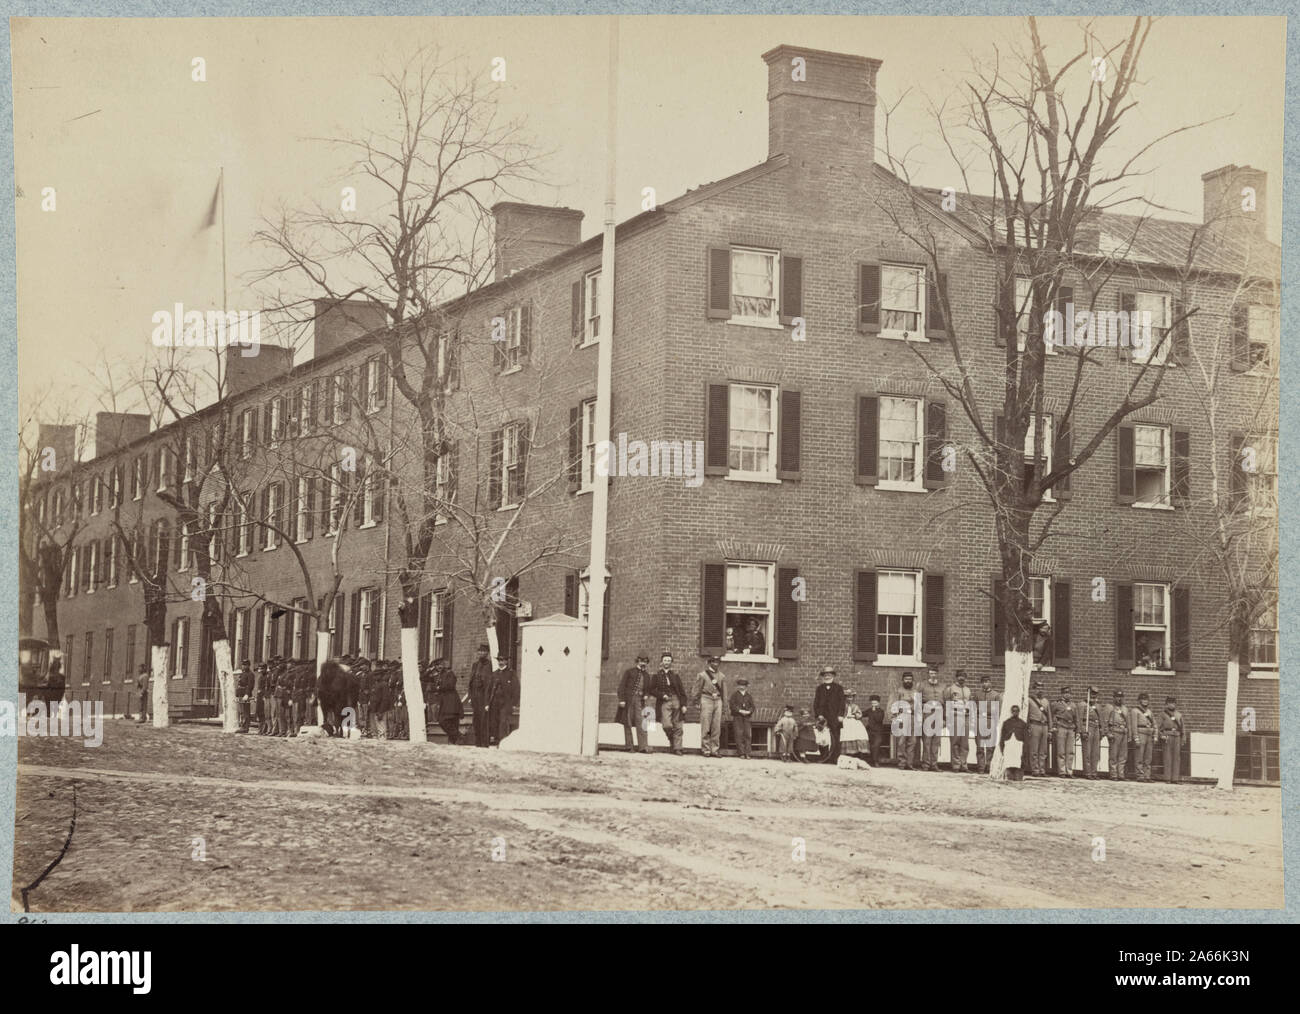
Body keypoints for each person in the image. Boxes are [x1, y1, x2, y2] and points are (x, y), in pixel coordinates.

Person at [647, 652, 686, 755]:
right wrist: (661, 695)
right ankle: (673, 741)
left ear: (671, 662)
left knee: (678, 725)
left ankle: (677, 748)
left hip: (676, 700)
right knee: (667, 725)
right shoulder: (656, 676)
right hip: (665, 701)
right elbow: (651, 690)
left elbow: (682, 692)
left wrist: (684, 705)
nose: (667, 663)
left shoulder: (675, 676)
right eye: (665, 660)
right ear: (661, 662)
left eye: (669, 661)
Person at [692, 656, 726, 758]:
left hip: (718, 700)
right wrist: (696, 701)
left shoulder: (722, 676)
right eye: (713, 662)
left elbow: (724, 692)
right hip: (706, 699)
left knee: (716, 726)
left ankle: (715, 749)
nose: (716, 664)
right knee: (706, 725)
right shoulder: (702, 675)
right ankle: (706, 749)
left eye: (717, 662)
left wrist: (724, 705)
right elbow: (696, 689)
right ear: (709, 663)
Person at [618, 655, 652, 754]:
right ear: (637, 661)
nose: (643, 663)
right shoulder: (629, 672)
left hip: (639, 701)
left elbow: (648, 689)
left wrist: (646, 694)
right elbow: (622, 687)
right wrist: (622, 700)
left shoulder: (646, 675)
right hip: (629, 700)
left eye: (645, 661)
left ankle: (643, 747)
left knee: (641, 722)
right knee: (627, 722)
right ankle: (629, 746)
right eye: (641, 661)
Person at [812, 666, 846, 760]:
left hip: (834, 716)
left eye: (829, 675)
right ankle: (824, 756)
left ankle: (835, 758)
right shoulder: (819, 688)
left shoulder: (838, 688)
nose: (827, 677)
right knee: (822, 736)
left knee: (835, 736)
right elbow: (816, 702)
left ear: (833, 676)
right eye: (825, 675)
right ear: (823, 677)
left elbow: (842, 703)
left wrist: (840, 715)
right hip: (822, 716)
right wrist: (819, 714)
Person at [972, 675, 1002, 773]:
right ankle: (980, 767)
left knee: (990, 746)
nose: (985, 683)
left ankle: (989, 766)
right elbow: (973, 709)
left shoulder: (996, 695)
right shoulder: (977, 695)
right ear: (981, 683)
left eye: (987, 681)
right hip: (979, 720)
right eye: (984, 682)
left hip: (991, 721)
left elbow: (998, 710)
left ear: (990, 683)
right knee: (980, 746)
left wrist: (996, 722)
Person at [1102, 690, 1133, 781]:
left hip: (1124, 732)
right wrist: (1108, 733)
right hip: (1114, 732)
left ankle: (1121, 774)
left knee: (1123, 756)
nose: (1119, 699)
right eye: (1117, 697)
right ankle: (1113, 774)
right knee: (1113, 755)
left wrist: (1129, 735)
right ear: (1114, 697)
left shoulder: (1125, 709)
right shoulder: (1109, 707)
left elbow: (1128, 723)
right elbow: (1105, 721)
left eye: (1121, 697)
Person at [946, 669, 974, 772]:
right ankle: (956, 765)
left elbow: (970, 704)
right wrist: (948, 720)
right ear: (956, 677)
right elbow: (947, 705)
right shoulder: (950, 689)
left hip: (965, 717)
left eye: (963, 677)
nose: (961, 678)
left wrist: (971, 719)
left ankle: (964, 765)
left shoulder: (968, 690)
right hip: (955, 717)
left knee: (965, 743)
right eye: (960, 676)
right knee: (955, 742)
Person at [487, 652, 518, 747]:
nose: (501, 662)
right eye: (499, 660)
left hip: (506, 702)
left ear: (506, 662)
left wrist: (514, 703)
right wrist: (488, 702)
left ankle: (502, 741)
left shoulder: (511, 673)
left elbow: (516, 688)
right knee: (494, 721)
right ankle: (496, 740)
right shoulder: (494, 674)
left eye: (503, 660)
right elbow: (489, 689)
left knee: (503, 721)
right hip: (495, 702)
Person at [889, 672, 918, 770]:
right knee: (902, 741)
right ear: (903, 680)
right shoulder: (898, 691)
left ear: (912, 681)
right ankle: (902, 763)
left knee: (912, 741)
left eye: (910, 679)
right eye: (906, 679)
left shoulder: (916, 692)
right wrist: (893, 718)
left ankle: (909, 763)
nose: (908, 681)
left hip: (913, 718)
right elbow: (892, 705)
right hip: (902, 717)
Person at [468, 644, 493, 747]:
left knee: (484, 720)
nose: (481, 653)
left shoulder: (489, 665)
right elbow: (471, 681)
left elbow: (489, 684)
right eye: (480, 651)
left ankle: (484, 743)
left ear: (487, 653)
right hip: (475, 695)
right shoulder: (475, 665)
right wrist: (470, 696)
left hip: (483, 695)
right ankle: (477, 742)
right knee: (476, 719)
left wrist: (487, 701)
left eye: (484, 651)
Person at [919, 669, 944, 771]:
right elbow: (918, 702)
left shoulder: (943, 686)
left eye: (935, 673)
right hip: (927, 714)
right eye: (931, 673)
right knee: (927, 741)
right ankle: (926, 765)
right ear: (928, 674)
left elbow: (945, 703)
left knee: (936, 741)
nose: (933, 675)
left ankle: (934, 764)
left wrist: (944, 718)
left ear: (938, 674)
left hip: (939, 714)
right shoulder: (922, 685)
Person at [1026, 680, 1052, 776]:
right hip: (1034, 725)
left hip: (1044, 726)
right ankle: (1035, 770)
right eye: (1037, 688)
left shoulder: (1046, 701)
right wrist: (1028, 727)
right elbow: (1027, 715)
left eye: (1041, 688)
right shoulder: (1030, 700)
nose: (1040, 690)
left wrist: (1050, 729)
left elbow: (1049, 716)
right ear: (1034, 689)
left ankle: (1042, 770)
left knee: (1043, 750)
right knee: (1034, 750)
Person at [1052, 686, 1078, 777]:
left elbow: (1076, 718)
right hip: (1061, 727)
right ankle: (1062, 771)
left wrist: (1077, 730)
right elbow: (1052, 715)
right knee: (1061, 751)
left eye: (1069, 693)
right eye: (1065, 693)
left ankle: (1069, 771)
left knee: (1070, 751)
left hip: (1071, 728)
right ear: (1062, 694)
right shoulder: (1057, 704)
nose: (1067, 695)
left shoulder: (1074, 705)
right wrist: (1054, 726)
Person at [435, 660, 463, 744]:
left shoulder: (450, 673)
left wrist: (439, 688)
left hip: (452, 702)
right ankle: (456, 739)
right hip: (445, 703)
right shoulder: (440, 675)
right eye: (437, 666)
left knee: (445, 721)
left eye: (440, 665)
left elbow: (450, 685)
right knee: (447, 722)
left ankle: (457, 736)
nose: (438, 667)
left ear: (444, 665)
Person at [1158, 696, 1185, 783]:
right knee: (1167, 757)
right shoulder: (1163, 714)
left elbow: (1183, 728)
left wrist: (1183, 738)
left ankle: (1175, 778)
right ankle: (1167, 778)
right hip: (1167, 736)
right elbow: (1158, 727)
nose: (1172, 705)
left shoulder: (1179, 715)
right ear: (1166, 704)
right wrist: (1161, 735)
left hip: (1177, 736)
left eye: (1173, 703)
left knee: (1176, 758)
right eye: (1170, 703)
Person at [1132, 692, 1158, 782]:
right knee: (1139, 756)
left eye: (1146, 700)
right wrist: (1136, 737)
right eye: (1143, 699)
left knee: (1148, 757)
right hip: (1140, 733)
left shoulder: (1149, 712)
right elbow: (1134, 725)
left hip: (1149, 734)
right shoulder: (1135, 711)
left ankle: (1147, 776)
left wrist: (1155, 735)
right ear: (1139, 700)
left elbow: (1154, 724)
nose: (1145, 701)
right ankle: (1140, 775)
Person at [728, 677, 756, 758]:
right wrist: (740, 711)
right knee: (739, 734)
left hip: (747, 718)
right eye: (740, 685)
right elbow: (732, 705)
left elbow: (752, 706)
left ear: (746, 686)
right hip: (737, 717)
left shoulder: (749, 696)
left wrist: (749, 711)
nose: (741, 687)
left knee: (747, 734)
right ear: (738, 686)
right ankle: (741, 753)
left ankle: (748, 753)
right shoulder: (734, 695)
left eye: (743, 685)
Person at [999, 704, 1028, 781]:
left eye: (1017, 711)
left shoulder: (1023, 723)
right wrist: (1002, 748)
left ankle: (1018, 777)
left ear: (1019, 712)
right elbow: (1002, 737)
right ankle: (1009, 777)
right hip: (1009, 744)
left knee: (1018, 762)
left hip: (1018, 744)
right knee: (1009, 762)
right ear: (1011, 712)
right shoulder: (1006, 723)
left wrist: (1025, 750)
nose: (1015, 713)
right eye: (1013, 711)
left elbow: (1026, 738)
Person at [1079, 685, 1102, 779]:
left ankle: (1094, 772)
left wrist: (1101, 730)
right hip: (1087, 728)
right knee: (1087, 752)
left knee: (1095, 753)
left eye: (1095, 695)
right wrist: (1083, 731)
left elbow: (1101, 719)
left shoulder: (1098, 706)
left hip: (1096, 728)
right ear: (1088, 694)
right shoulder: (1083, 705)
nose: (1093, 696)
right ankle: (1087, 773)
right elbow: (1080, 719)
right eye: (1092, 694)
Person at [838, 691, 870, 758]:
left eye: (851, 697)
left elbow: (860, 714)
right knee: (847, 734)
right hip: (846, 721)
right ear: (845, 698)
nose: (850, 699)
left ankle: (859, 752)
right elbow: (839, 714)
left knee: (859, 733)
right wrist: (842, 717)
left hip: (854, 721)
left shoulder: (855, 706)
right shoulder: (842, 706)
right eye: (848, 697)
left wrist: (855, 715)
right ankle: (848, 752)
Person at [864, 694, 886, 767]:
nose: (873, 705)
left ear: (878, 703)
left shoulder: (881, 711)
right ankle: (870, 761)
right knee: (868, 746)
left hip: (878, 732)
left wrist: (874, 711)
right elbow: (863, 714)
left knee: (876, 746)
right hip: (869, 731)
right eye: (872, 703)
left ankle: (876, 761)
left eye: (875, 703)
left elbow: (878, 719)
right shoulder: (869, 710)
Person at [235, 660, 253, 733]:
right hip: (241, 694)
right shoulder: (243, 673)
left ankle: (245, 727)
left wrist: (247, 694)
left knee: (245, 711)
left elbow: (250, 685)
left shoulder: (250, 674)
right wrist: (237, 694)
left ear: (248, 666)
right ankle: (242, 725)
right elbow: (239, 685)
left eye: (245, 665)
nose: (243, 666)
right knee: (241, 711)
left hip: (245, 695)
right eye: (243, 665)